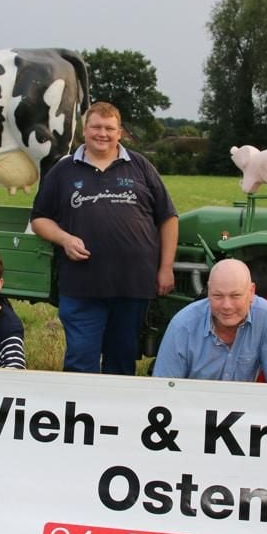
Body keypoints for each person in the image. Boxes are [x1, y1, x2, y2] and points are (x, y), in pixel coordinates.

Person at [30, 101, 179, 376]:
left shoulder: (140, 166)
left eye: (109, 128)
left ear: (119, 132)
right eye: (96, 126)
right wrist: (64, 238)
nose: (103, 133)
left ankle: (116, 417)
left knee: (121, 362)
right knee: (80, 362)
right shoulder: (64, 170)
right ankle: (78, 416)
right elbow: (39, 218)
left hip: (133, 285)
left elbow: (168, 217)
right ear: (84, 130)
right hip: (81, 286)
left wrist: (166, 267)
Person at [153, 259, 267, 383]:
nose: (226, 306)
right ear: (208, 291)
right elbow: (163, 389)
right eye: (218, 296)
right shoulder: (182, 325)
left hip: (243, 408)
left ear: (251, 292)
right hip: (190, 408)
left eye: (235, 296)